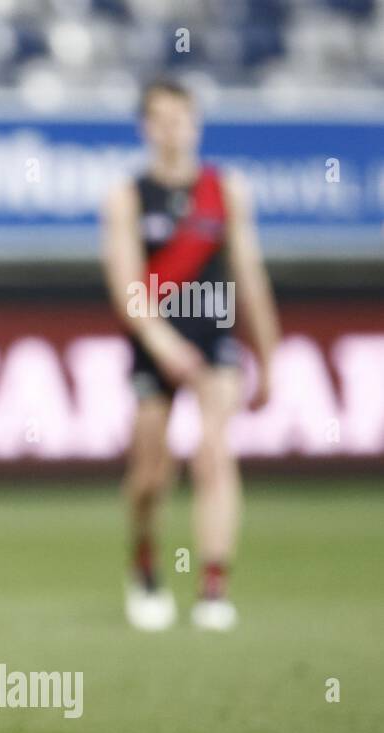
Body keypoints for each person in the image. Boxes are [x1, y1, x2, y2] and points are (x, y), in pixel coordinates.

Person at [101, 78, 279, 633]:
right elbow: (126, 284)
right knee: (151, 472)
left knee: (213, 453)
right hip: (156, 344)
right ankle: (146, 563)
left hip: (215, 340)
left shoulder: (225, 190)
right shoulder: (128, 195)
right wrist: (162, 343)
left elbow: (248, 274)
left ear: (196, 123)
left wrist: (269, 356)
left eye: (182, 116)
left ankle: (213, 586)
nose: (173, 127)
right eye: (161, 118)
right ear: (146, 127)